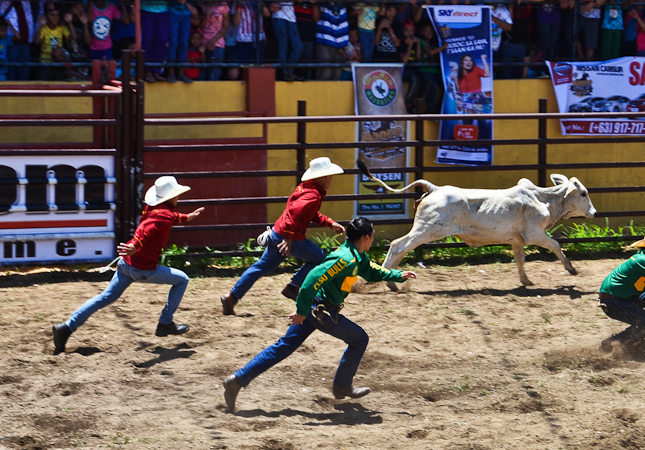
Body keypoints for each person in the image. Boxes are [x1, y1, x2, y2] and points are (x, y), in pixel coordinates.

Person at [222, 217, 417, 410]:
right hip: (322, 312)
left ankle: (236, 380)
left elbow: (371, 271)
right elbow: (311, 279)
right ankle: (342, 386)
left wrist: (398, 275)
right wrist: (301, 311)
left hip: (315, 309)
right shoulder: (345, 259)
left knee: (284, 347)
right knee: (359, 339)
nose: (373, 238)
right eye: (372, 235)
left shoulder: (356, 256)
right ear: (366, 238)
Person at [52, 177, 204, 355]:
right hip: (142, 269)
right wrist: (136, 244)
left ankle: (66, 327)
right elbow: (145, 231)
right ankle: (165, 323)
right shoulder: (162, 215)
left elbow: (168, 219)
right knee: (182, 280)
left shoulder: (154, 210)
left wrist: (187, 217)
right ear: (171, 198)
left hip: (125, 265)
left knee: (105, 297)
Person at [221, 157, 346, 315]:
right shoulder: (312, 195)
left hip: (277, 233)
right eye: (330, 176)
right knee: (321, 259)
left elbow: (306, 213)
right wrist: (288, 238)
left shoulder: (305, 188)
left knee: (261, 267)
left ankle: (231, 297)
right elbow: (294, 213)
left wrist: (330, 223)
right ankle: (294, 287)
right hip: (290, 238)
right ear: (322, 177)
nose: (331, 180)